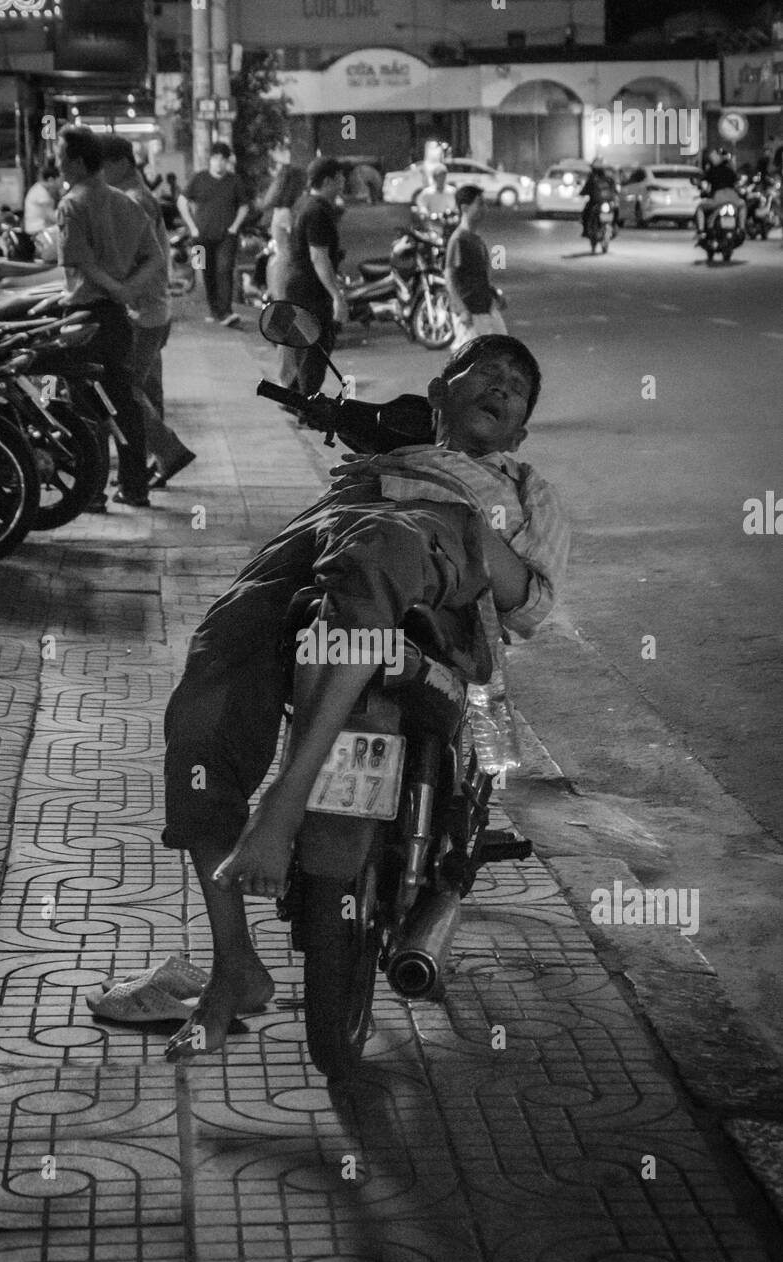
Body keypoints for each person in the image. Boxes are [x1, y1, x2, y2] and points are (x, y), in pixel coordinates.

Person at [150, 333, 569, 1057]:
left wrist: (473, 533)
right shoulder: (388, 452)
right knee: (211, 677)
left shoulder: (524, 490)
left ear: (520, 429)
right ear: (440, 391)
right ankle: (233, 965)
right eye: (486, 373)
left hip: (433, 538)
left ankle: (282, 809)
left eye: (516, 387)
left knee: (367, 572)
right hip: (335, 521)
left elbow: (531, 606)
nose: (501, 386)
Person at [55, 123, 165, 508]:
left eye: (60, 155)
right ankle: (135, 488)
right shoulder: (125, 202)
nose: (56, 162)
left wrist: (114, 288)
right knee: (124, 403)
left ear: (79, 162)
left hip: (82, 317)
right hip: (118, 319)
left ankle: (92, 494)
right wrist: (127, 289)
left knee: (85, 406)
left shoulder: (72, 203)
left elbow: (80, 263)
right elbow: (155, 256)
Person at [99, 136, 196, 490]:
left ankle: (166, 453)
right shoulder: (138, 197)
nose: (100, 174)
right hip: (153, 306)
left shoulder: (132, 199)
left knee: (125, 391)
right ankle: (150, 463)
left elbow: (127, 258)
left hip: (141, 309)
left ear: (122, 163)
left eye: (103, 165)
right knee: (145, 388)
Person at [279, 156, 347, 395]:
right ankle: (305, 406)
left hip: (300, 286)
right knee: (314, 351)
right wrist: (336, 296)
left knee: (307, 348)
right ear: (328, 181)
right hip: (311, 290)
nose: (344, 183)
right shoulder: (317, 211)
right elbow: (319, 258)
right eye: (340, 178)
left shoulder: (306, 204)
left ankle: (296, 399)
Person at [177, 142, 249, 327]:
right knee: (205, 271)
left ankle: (226, 312)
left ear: (227, 162)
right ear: (210, 160)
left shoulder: (234, 181)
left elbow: (244, 206)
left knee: (224, 270)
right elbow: (182, 201)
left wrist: (234, 226)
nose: (219, 163)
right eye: (216, 158)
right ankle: (214, 308)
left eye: (223, 159)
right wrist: (191, 226)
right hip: (199, 237)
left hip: (227, 236)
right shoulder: (198, 179)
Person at [445, 184, 508, 355]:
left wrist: (494, 293)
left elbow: (478, 275)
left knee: (502, 352)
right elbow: (450, 277)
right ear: (465, 208)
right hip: (471, 313)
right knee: (470, 363)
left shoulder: (476, 238)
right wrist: (462, 310)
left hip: (485, 307)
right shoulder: (459, 240)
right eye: (479, 204)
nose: (484, 208)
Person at [260, 163, 306, 302]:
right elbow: (296, 241)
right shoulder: (286, 214)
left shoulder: (279, 210)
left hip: (278, 262)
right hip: (287, 265)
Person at [694, 147, 745, 238]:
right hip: (733, 198)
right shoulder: (730, 171)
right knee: (743, 205)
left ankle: (701, 231)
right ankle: (741, 228)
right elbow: (737, 185)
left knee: (700, 208)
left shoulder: (711, 171)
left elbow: (704, 184)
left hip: (718, 199)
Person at [23, 160, 62, 255]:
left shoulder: (37, 189)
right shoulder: (42, 195)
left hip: (35, 231)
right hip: (39, 233)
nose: (61, 182)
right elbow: (53, 217)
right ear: (51, 180)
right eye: (59, 179)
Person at [579, 156, 619, 240]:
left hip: (606, 201)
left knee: (615, 210)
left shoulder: (608, 179)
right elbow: (586, 188)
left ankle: (614, 227)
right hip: (595, 201)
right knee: (586, 211)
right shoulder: (593, 178)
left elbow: (614, 189)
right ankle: (587, 229)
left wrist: (615, 194)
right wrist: (582, 193)